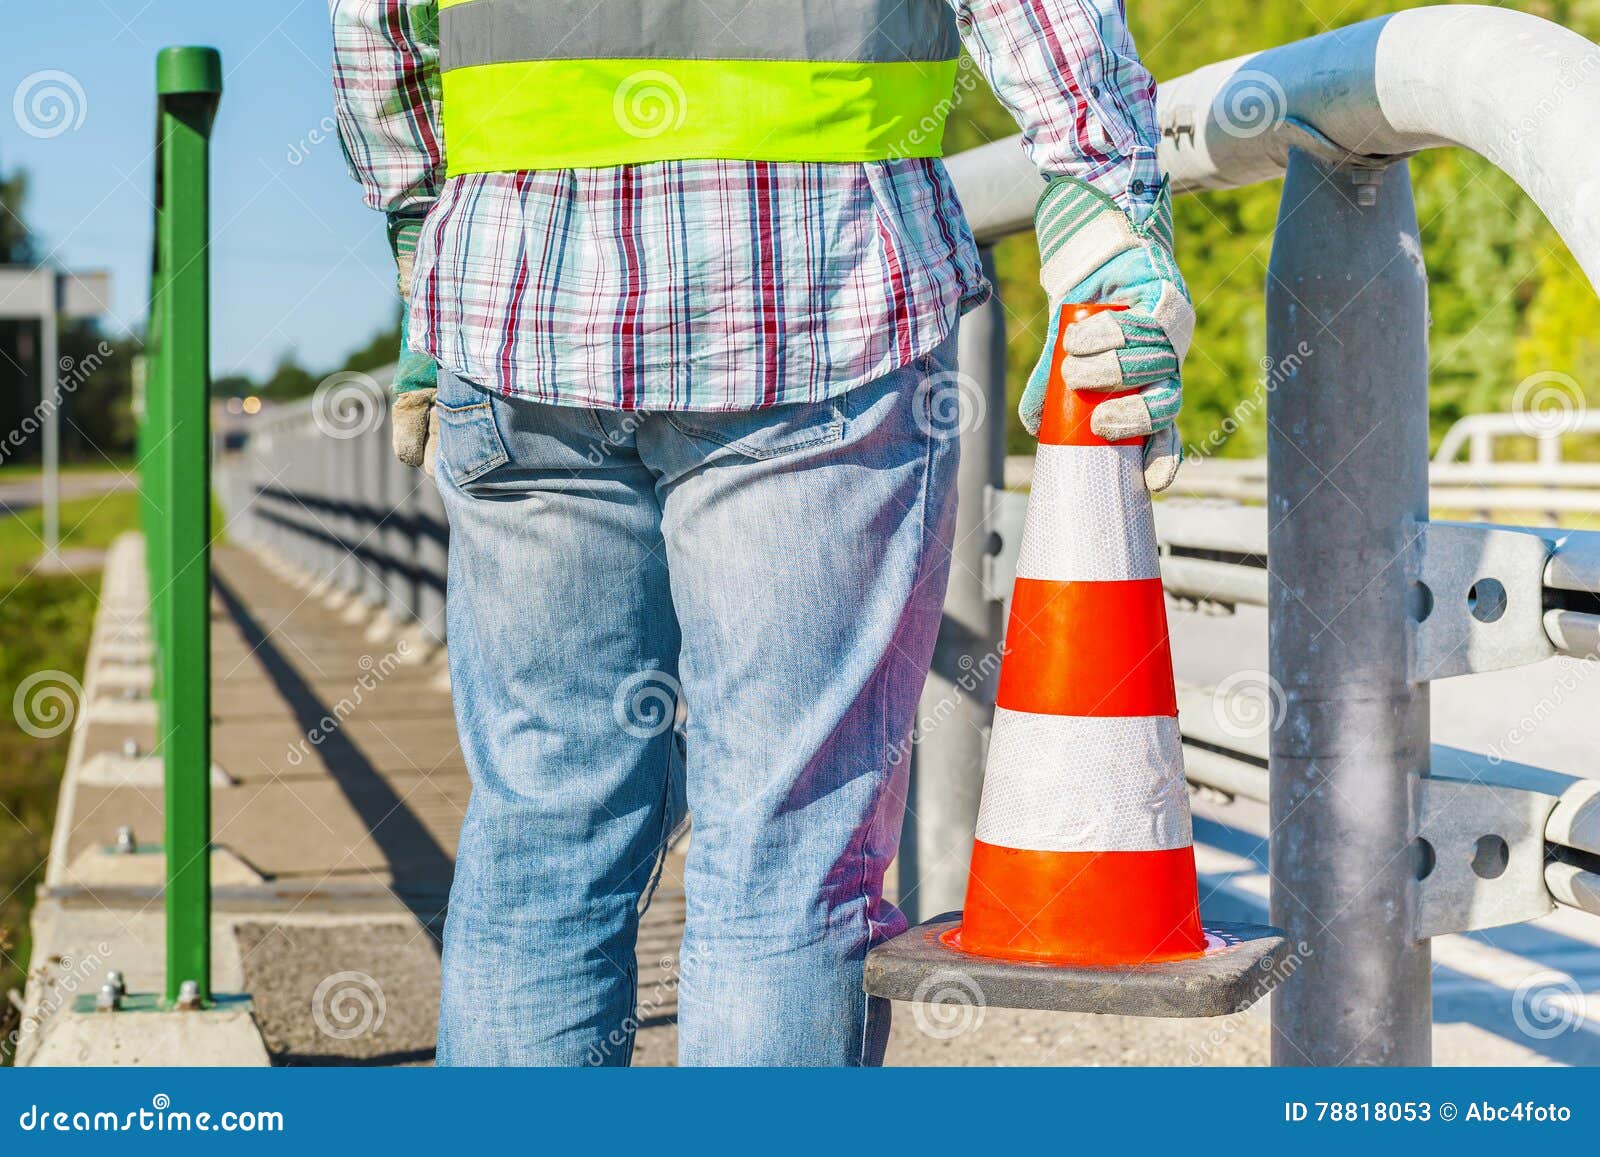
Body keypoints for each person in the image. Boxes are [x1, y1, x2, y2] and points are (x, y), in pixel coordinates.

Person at [328, 0, 1191, 1066]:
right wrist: (1108, 230)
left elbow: (376, 33)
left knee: (546, 831)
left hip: (513, 320)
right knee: (782, 851)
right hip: (812, 307)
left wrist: (422, 236)